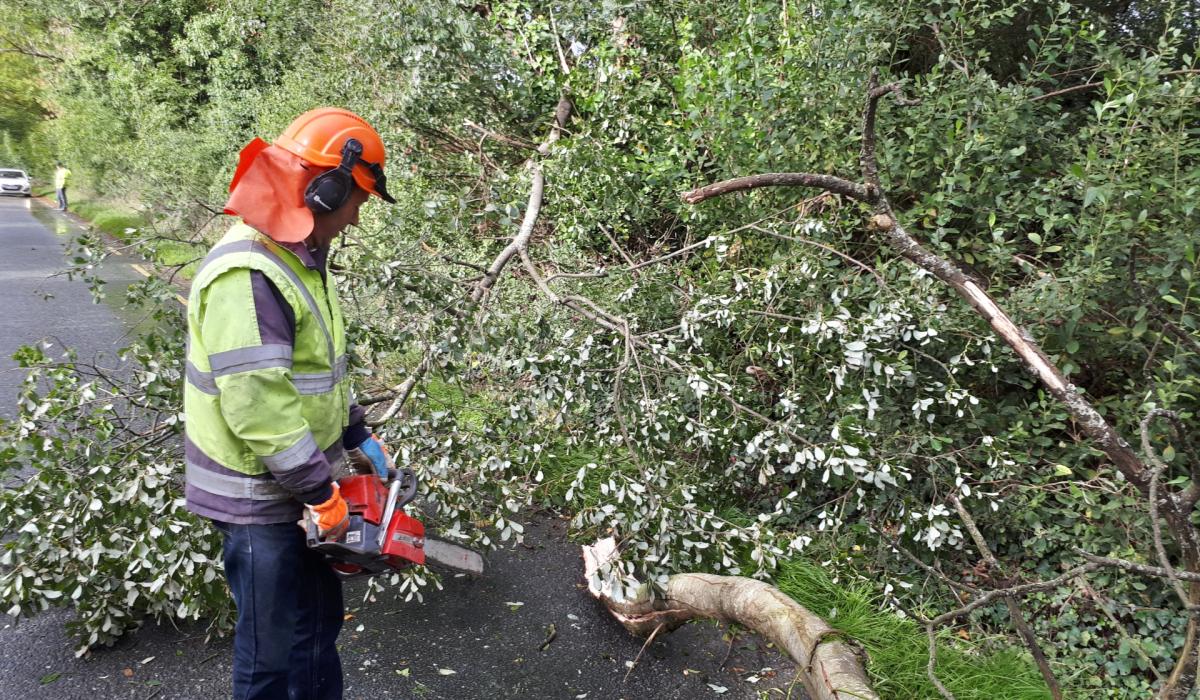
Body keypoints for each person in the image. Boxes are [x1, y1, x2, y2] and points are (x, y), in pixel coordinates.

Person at [183, 107, 398, 700]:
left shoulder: (298, 256)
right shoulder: (248, 271)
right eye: (356, 201)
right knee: (273, 654)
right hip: (260, 495)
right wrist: (321, 492)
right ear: (325, 189)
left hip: (297, 485)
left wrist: (355, 434)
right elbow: (258, 405)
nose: (355, 218)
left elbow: (313, 371)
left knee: (315, 630)